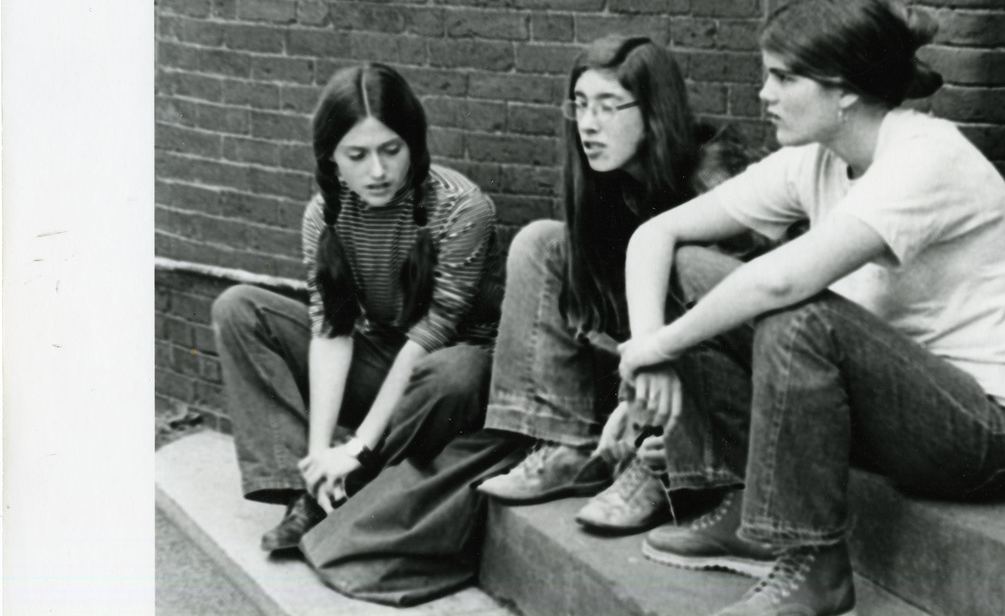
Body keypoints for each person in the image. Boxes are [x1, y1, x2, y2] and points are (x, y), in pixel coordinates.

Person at [617, 0, 1005, 616]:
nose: (764, 93)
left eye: (783, 77)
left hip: (986, 430)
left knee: (795, 316)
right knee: (694, 270)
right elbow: (656, 234)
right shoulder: (817, 155)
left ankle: (817, 574)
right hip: (889, 409)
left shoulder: (928, 156)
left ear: (845, 91)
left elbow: (784, 280)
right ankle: (744, 504)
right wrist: (647, 344)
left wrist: (659, 349)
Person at [212, 62, 500, 554]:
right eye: (358, 155)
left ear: (414, 144)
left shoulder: (461, 207)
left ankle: (361, 476)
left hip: (444, 390)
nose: (378, 171)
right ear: (332, 157)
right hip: (381, 367)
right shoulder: (324, 215)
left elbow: (432, 334)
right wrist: (320, 454)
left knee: (458, 370)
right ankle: (307, 492)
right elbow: (332, 330)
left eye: (391, 150)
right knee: (239, 307)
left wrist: (359, 446)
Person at [476, 34, 758, 534]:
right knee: (542, 242)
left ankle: (663, 466)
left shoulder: (712, 173)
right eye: (581, 105)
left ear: (654, 112)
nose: (588, 123)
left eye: (608, 106)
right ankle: (568, 446)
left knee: (681, 262)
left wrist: (641, 404)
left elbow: (732, 317)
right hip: (645, 358)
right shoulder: (607, 180)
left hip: (729, 371)